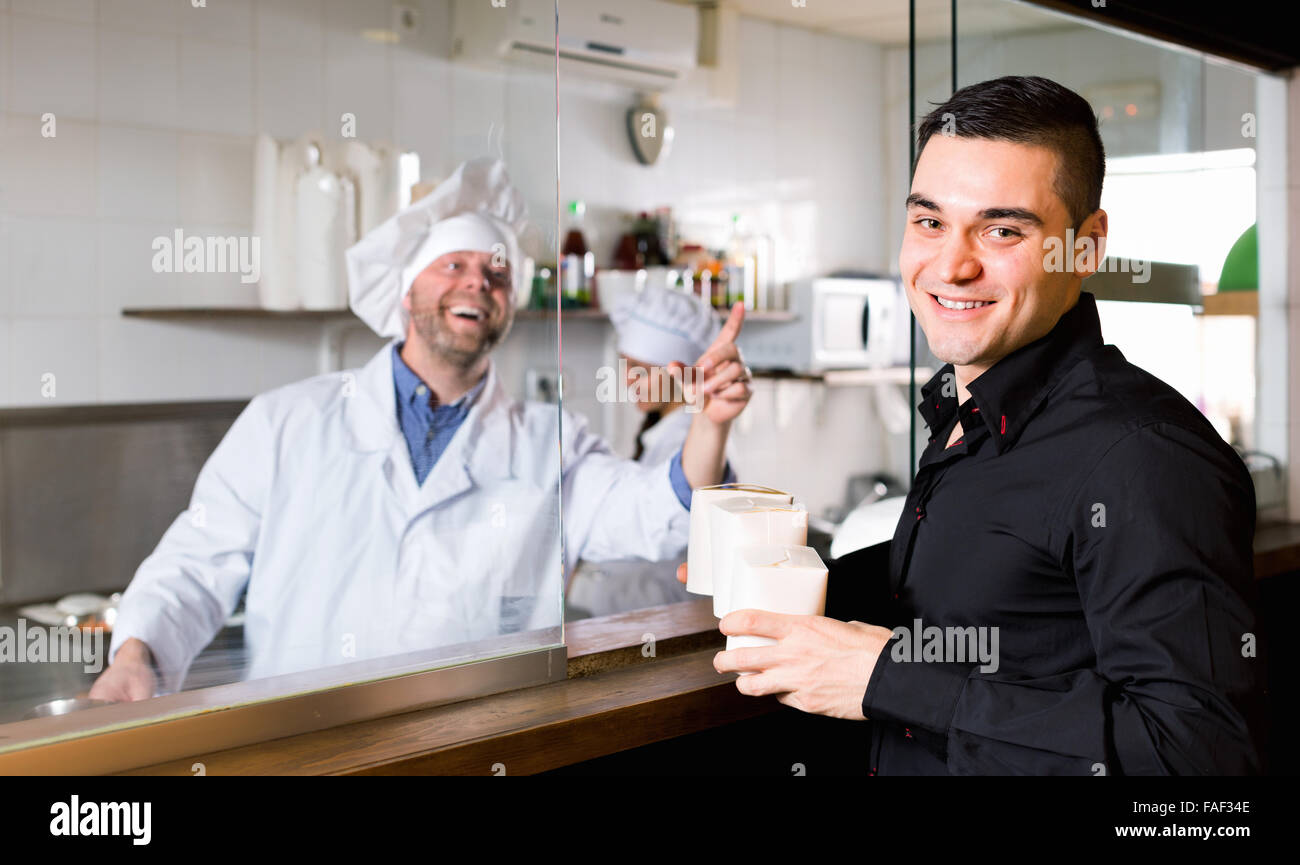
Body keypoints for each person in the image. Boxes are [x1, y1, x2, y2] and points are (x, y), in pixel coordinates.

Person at [685, 76, 1261, 774]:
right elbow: (989, 598)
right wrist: (792, 573)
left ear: (1086, 245)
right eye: (929, 221)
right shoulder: (965, 411)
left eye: (1002, 229)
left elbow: (1196, 760)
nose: (951, 266)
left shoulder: (1142, 456)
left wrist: (885, 678)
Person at [92, 158, 752, 700]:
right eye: (453, 264)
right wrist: (136, 654)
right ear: (406, 292)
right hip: (305, 749)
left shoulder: (550, 443)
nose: (479, 281)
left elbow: (654, 512)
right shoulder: (286, 421)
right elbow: (193, 566)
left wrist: (709, 423)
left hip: (478, 747)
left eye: (497, 271)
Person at [567, 284, 732, 617]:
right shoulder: (658, 434)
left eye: (641, 369)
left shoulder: (690, 447)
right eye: (626, 365)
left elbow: (655, 535)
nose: (629, 379)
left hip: (668, 618)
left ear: (681, 371)